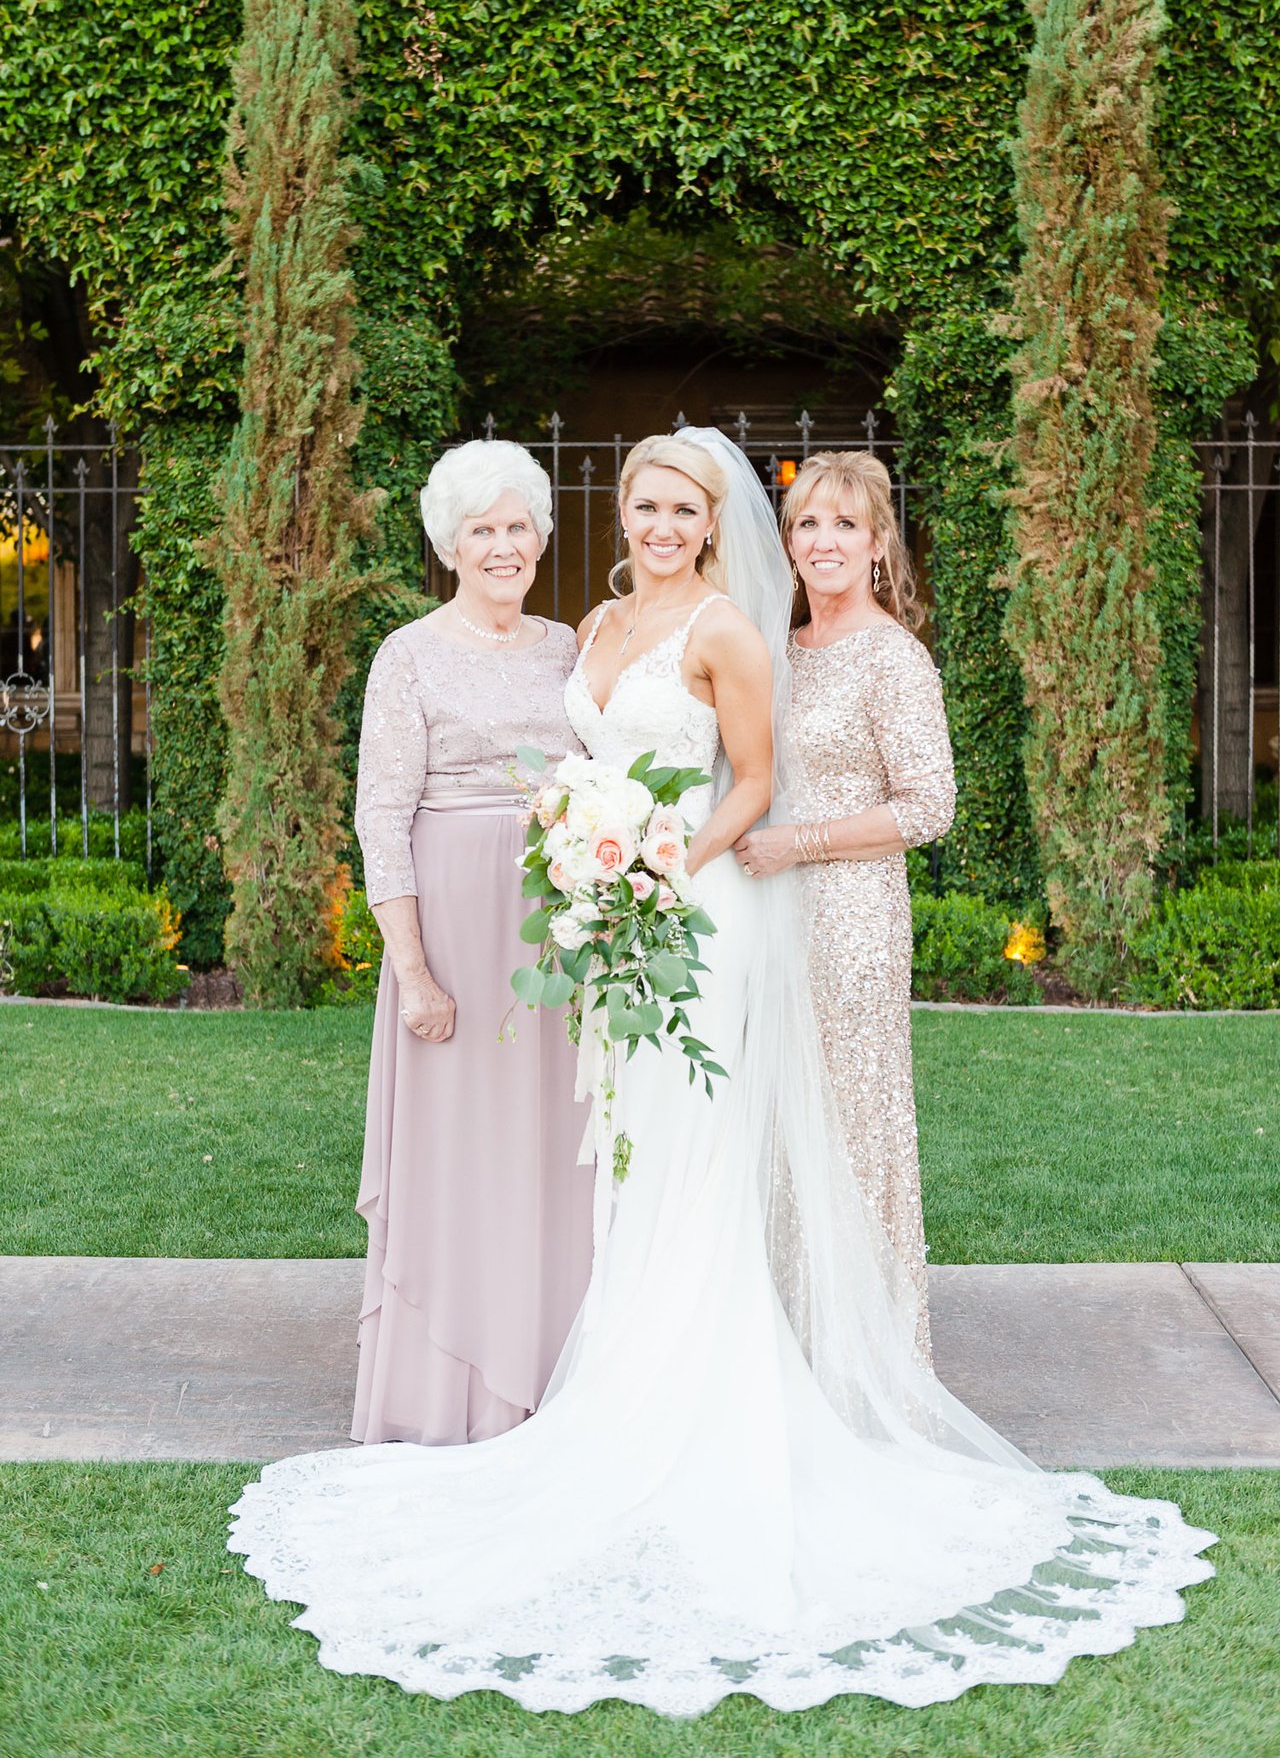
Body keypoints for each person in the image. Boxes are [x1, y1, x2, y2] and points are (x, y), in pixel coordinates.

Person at [230, 428, 1213, 1715]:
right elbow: (570, 764)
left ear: (710, 521)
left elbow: (748, 784)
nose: (659, 523)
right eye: (641, 502)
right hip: (612, 926)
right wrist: (595, 866)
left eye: (683, 507)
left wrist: (660, 868)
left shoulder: (727, 633)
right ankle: (615, 1385)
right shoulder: (591, 626)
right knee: (626, 1161)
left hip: (691, 921)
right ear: (620, 512)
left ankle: (698, 1414)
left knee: (690, 1158)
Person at [349, 438, 592, 1445]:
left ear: (540, 533)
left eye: (517, 526)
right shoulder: (407, 655)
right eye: (481, 529)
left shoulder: (570, 648)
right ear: (450, 544)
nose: (502, 546)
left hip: (556, 927)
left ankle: (553, 1375)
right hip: (450, 927)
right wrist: (413, 972)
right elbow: (380, 816)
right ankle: (446, 1391)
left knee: (553, 1152)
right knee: (461, 1155)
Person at [735, 450, 953, 1357]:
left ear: (876, 544)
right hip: (765, 919)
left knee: (854, 1127)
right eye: (808, 523)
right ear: (786, 542)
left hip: (853, 917)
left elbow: (929, 805)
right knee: (778, 1129)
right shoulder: (775, 652)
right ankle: (784, 1342)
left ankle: (868, 1355)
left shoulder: (893, 659)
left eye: (845, 525)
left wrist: (804, 842)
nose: (825, 540)